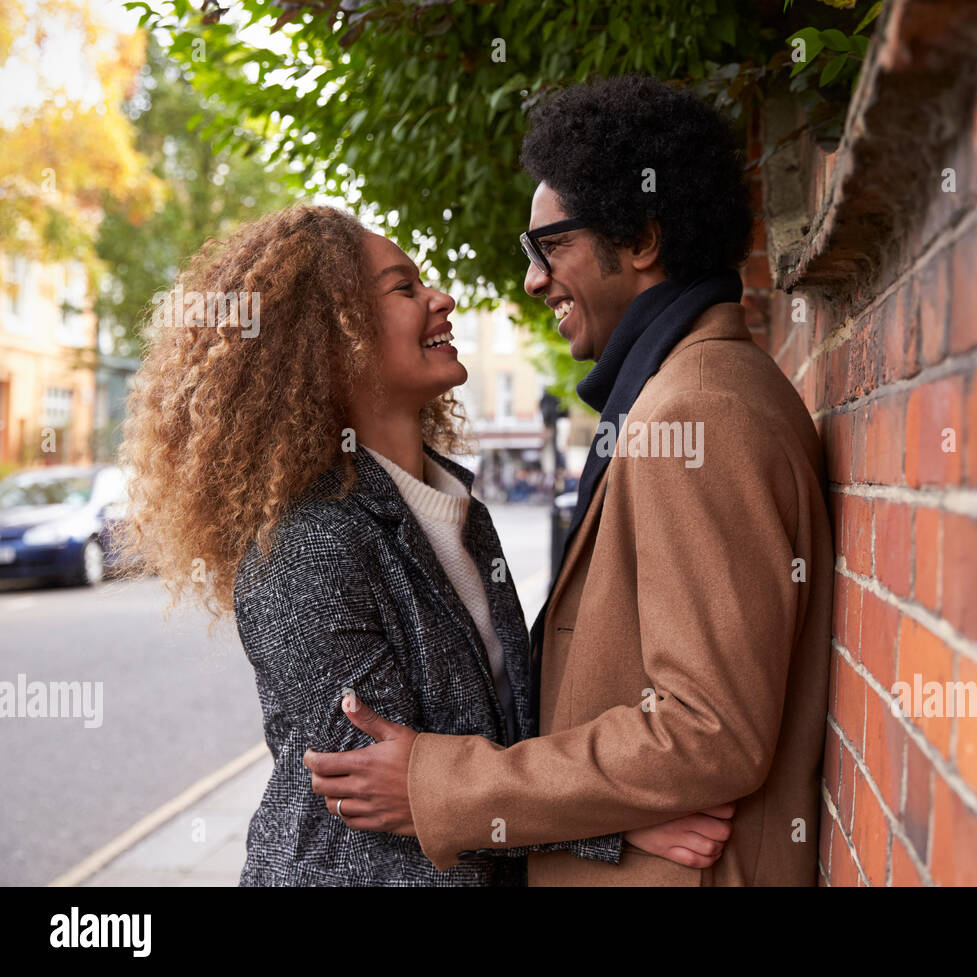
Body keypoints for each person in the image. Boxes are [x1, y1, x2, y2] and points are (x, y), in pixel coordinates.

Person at [310, 75, 834, 885]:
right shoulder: (682, 396)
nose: (532, 280)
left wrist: (440, 782)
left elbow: (710, 730)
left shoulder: (694, 417)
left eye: (550, 246)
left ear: (641, 240)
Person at [116, 203, 732, 885]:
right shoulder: (305, 545)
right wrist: (614, 820)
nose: (441, 300)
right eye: (405, 289)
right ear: (333, 338)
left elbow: (484, 746)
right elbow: (390, 792)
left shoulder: (460, 510)